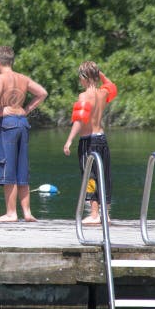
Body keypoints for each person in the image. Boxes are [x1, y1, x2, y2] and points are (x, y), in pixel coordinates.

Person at [0, 45, 48, 222]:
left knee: (8, 166)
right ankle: (27, 212)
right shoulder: (23, 78)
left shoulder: (0, 78)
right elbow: (42, 93)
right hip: (22, 123)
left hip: (7, 124)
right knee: (22, 167)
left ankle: (11, 213)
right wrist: (26, 109)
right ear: (11, 61)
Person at [63, 61, 117, 225]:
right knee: (104, 175)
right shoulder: (103, 93)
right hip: (102, 139)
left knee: (90, 177)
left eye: (80, 77)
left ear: (85, 77)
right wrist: (99, 74)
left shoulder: (84, 96)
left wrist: (69, 140)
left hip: (88, 141)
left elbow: (80, 120)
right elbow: (112, 86)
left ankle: (94, 214)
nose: (80, 80)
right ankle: (105, 214)